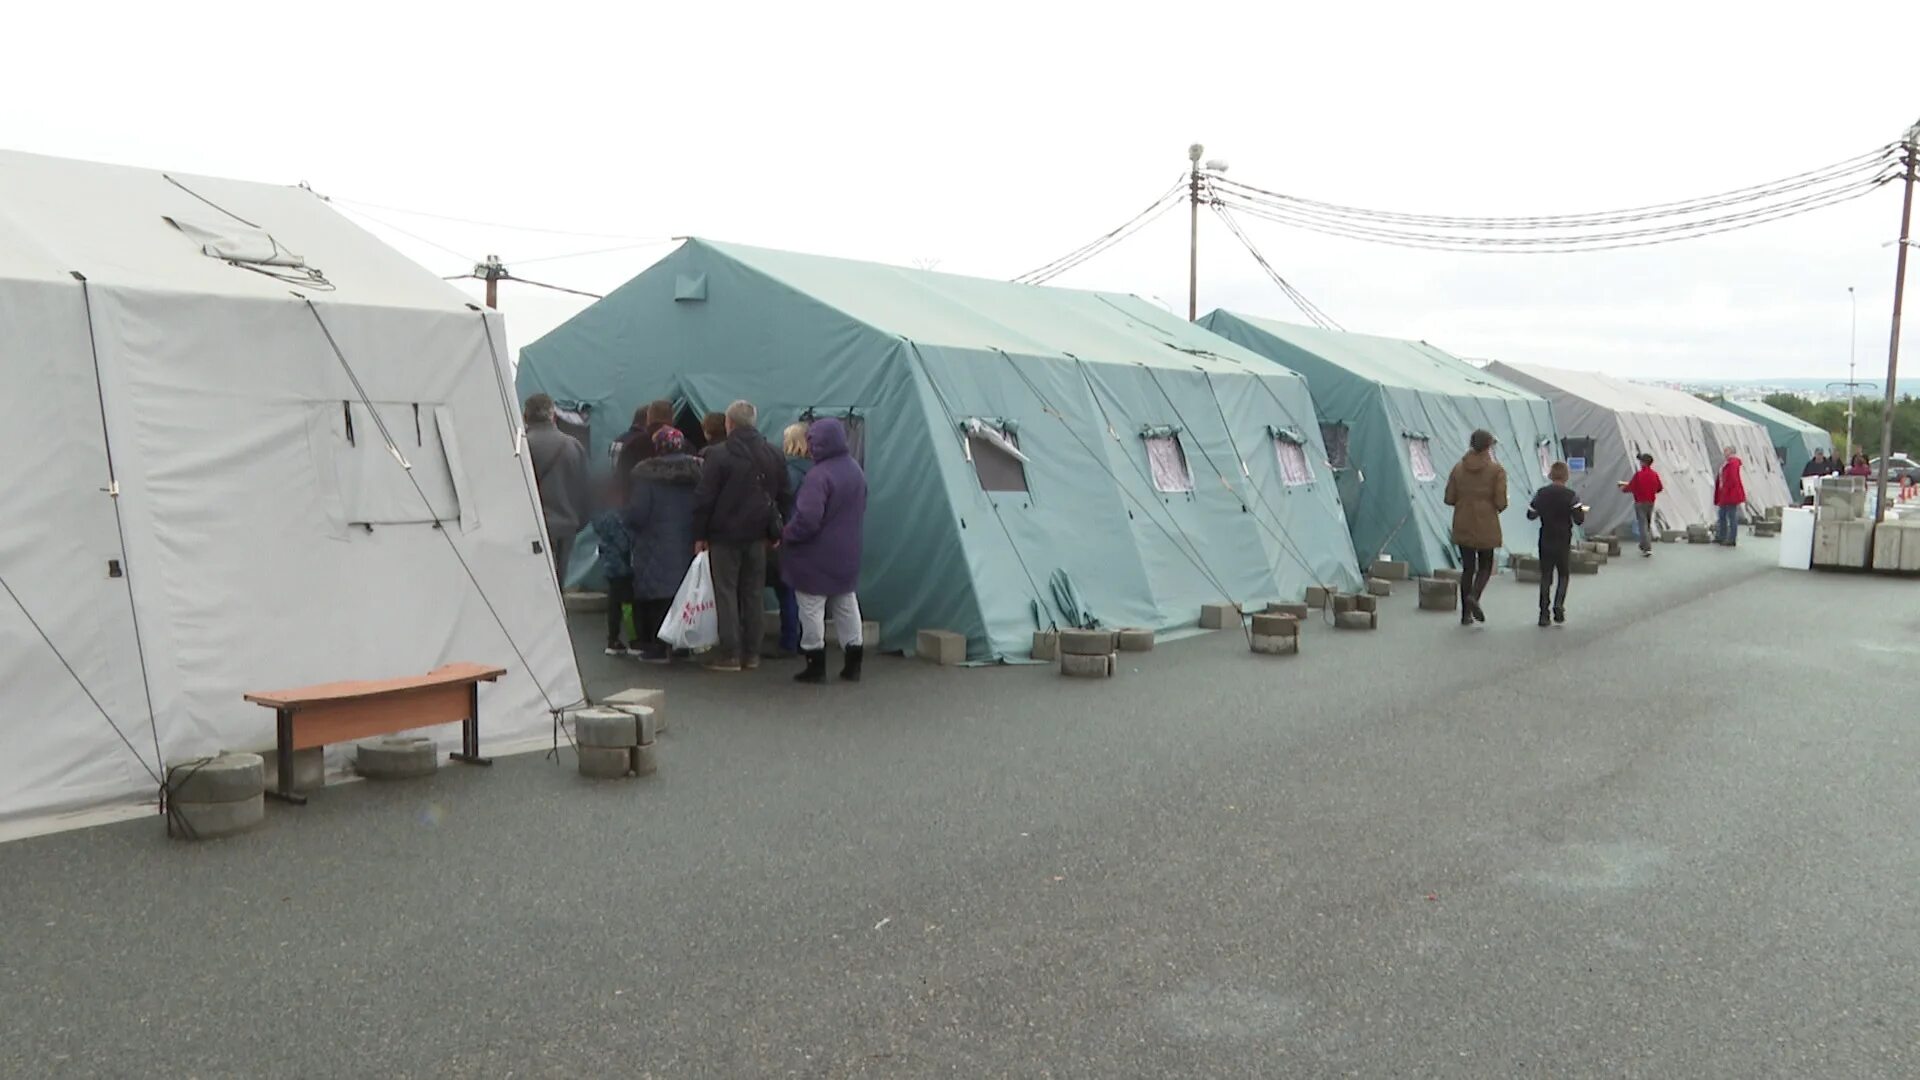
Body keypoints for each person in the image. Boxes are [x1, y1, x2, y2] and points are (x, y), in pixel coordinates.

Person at [691, 401, 789, 672]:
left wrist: (699, 534)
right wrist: (778, 530)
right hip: (760, 535)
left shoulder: (718, 455)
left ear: (729, 423)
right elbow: (785, 496)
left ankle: (731, 654)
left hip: (724, 535)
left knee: (726, 593)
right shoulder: (773, 453)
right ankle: (753, 653)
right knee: (753, 593)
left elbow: (705, 497)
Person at [782, 417, 869, 684]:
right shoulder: (854, 469)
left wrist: (787, 534)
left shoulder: (818, 475)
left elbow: (808, 518)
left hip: (814, 556)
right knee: (846, 605)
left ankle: (815, 664)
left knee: (811, 608)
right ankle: (853, 662)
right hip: (847, 550)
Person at [623, 427, 703, 663]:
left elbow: (637, 514)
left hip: (654, 542)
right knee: (683, 593)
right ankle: (682, 646)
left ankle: (658, 647)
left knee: (657, 596)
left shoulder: (647, 476)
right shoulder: (698, 473)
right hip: (688, 540)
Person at [523, 393, 590, 588]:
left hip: (532, 529)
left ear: (525, 415)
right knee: (557, 587)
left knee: (533, 588)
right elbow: (586, 493)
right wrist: (576, 523)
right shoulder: (574, 446)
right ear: (553, 416)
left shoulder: (521, 447)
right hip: (566, 528)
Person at [1443, 429, 1508, 626]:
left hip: (1463, 521)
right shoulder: (1497, 471)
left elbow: (1449, 498)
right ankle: (1474, 597)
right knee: (1486, 566)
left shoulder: (1458, 468)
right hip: (1486, 522)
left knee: (1468, 568)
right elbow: (1501, 502)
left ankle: (1465, 615)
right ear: (1488, 447)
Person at [769, 422, 813, 658]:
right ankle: (809, 638)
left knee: (787, 590)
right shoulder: (818, 470)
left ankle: (790, 639)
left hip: (790, 534)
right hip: (813, 537)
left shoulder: (789, 472)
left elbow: (781, 502)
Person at [1528, 461, 1587, 627]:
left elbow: (1531, 514)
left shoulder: (1542, 493)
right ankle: (1559, 605)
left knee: (1546, 575)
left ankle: (1543, 613)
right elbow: (1579, 520)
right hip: (1563, 538)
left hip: (1546, 537)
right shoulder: (1571, 495)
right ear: (1566, 476)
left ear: (1551, 475)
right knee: (1563, 574)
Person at [589, 478, 638, 657]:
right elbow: (624, 543)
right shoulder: (617, 517)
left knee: (614, 604)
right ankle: (633, 639)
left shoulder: (601, 518)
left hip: (611, 566)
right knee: (628, 605)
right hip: (623, 567)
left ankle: (613, 639)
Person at [612, 399, 675, 489]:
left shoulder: (631, 444)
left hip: (639, 497)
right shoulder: (683, 444)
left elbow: (624, 480)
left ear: (650, 418)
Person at [1620, 452, 1664, 557]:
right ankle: (1644, 544)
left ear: (1643, 463)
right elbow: (1660, 488)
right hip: (1651, 502)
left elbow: (1631, 487)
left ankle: (1647, 547)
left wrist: (1623, 488)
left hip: (1640, 502)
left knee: (1642, 525)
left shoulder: (1639, 475)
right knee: (1647, 524)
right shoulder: (1654, 474)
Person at [1713, 447, 1746, 546]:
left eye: (1726, 451)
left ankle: (1732, 538)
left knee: (1731, 516)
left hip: (1730, 494)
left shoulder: (1733, 463)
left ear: (1731, 452)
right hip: (1725, 493)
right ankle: (1722, 535)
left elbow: (1732, 479)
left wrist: (1727, 490)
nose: (1724, 453)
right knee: (1722, 515)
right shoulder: (1727, 463)